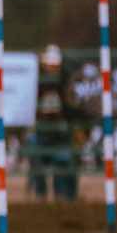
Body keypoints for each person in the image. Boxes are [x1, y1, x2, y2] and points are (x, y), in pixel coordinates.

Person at [30, 44, 79, 201]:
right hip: (44, 132)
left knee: (64, 161)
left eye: (54, 65)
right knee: (36, 155)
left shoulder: (66, 83)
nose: (52, 68)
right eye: (49, 65)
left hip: (61, 132)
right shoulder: (37, 83)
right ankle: (41, 195)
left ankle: (64, 197)